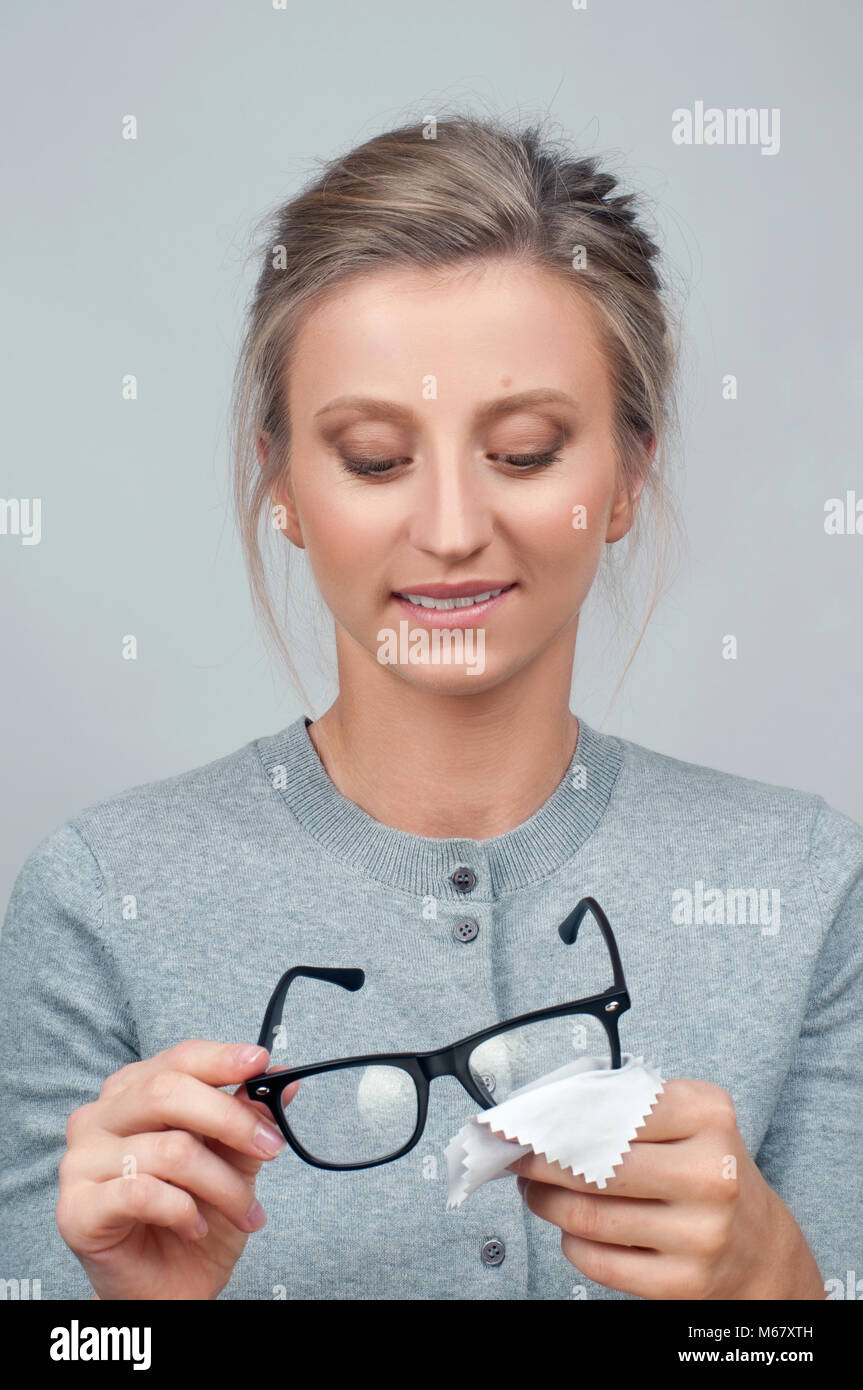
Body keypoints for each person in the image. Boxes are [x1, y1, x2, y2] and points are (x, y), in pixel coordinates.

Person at [1, 113, 860, 1302]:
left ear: (625, 477)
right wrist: (132, 1322)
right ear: (285, 486)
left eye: (521, 450)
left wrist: (776, 1295)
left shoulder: (808, 885)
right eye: (370, 456)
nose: (452, 528)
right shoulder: (96, 902)